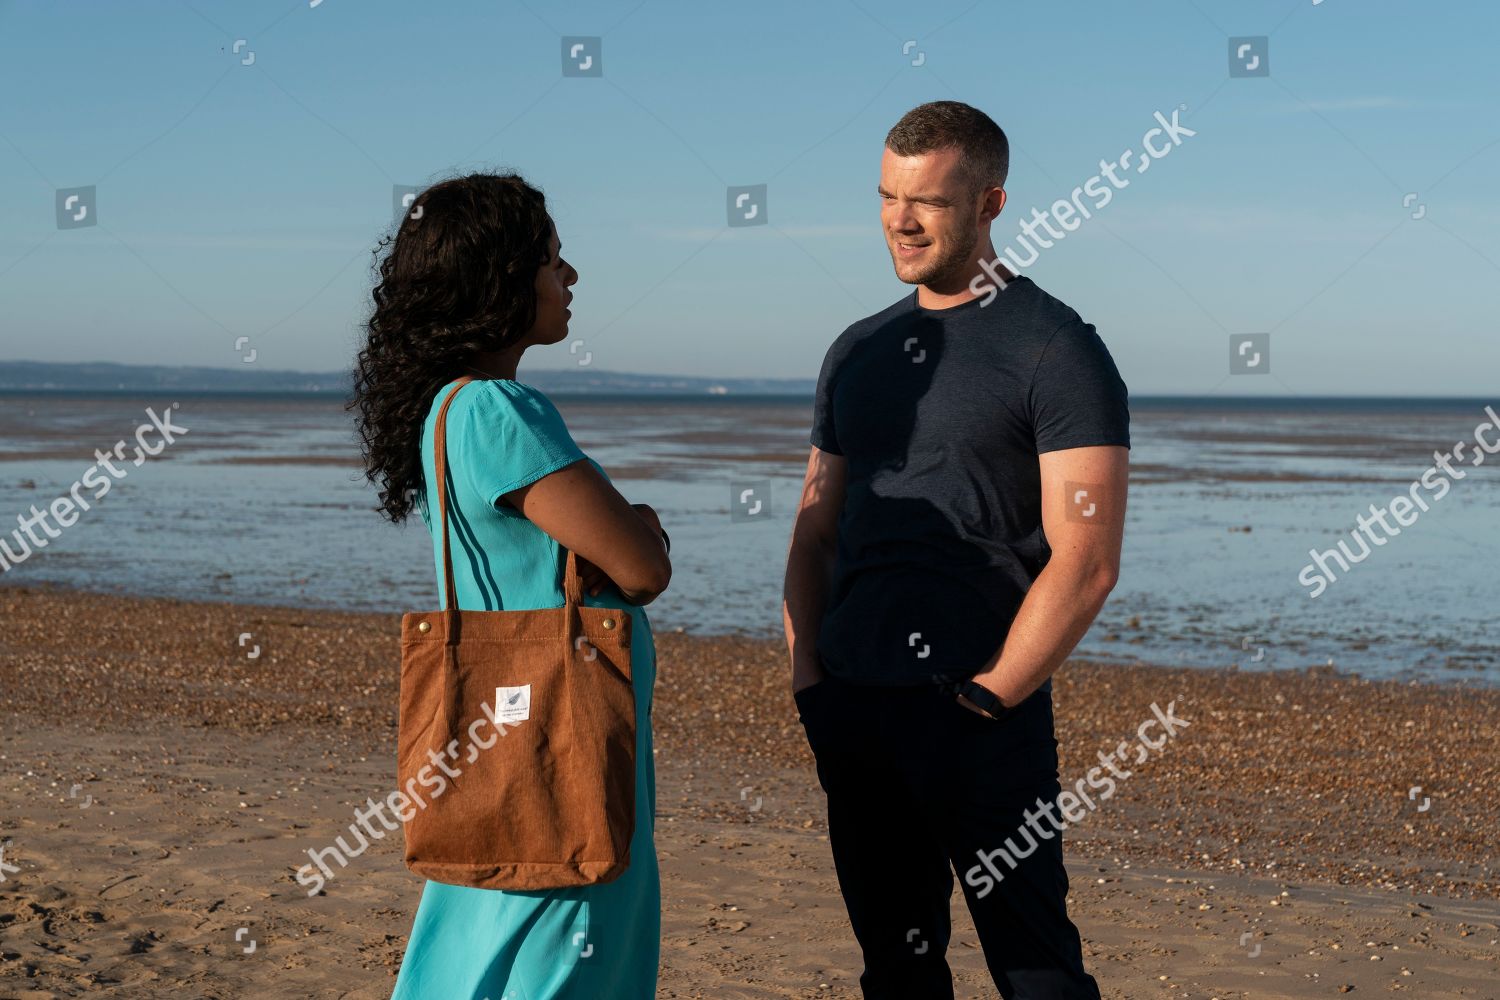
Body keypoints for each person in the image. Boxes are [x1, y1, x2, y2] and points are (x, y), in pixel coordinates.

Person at [782, 101, 1129, 999]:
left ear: (991, 202)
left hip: (981, 717)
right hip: (854, 706)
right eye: (889, 197)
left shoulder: (1057, 351)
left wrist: (991, 695)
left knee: (1037, 971)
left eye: (928, 201)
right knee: (896, 969)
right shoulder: (855, 352)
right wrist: (809, 680)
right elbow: (817, 525)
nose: (901, 220)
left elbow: (1086, 558)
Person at [350, 172, 671, 1000]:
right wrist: (640, 524)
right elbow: (642, 567)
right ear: (500, 280)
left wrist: (617, 531)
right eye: (553, 261)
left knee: (487, 930)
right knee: (565, 934)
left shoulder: (447, 409)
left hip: (499, 731)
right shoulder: (499, 410)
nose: (569, 279)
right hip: (557, 733)